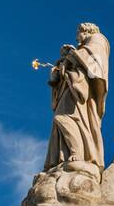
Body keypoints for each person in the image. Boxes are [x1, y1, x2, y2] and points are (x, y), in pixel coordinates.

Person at [45, 22, 109, 168]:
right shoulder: (84, 46)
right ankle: (66, 156)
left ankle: (78, 152)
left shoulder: (97, 39)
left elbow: (93, 62)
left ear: (85, 31)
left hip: (79, 89)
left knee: (64, 118)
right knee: (63, 120)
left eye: (78, 33)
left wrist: (71, 54)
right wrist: (58, 71)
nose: (77, 37)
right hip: (70, 87)